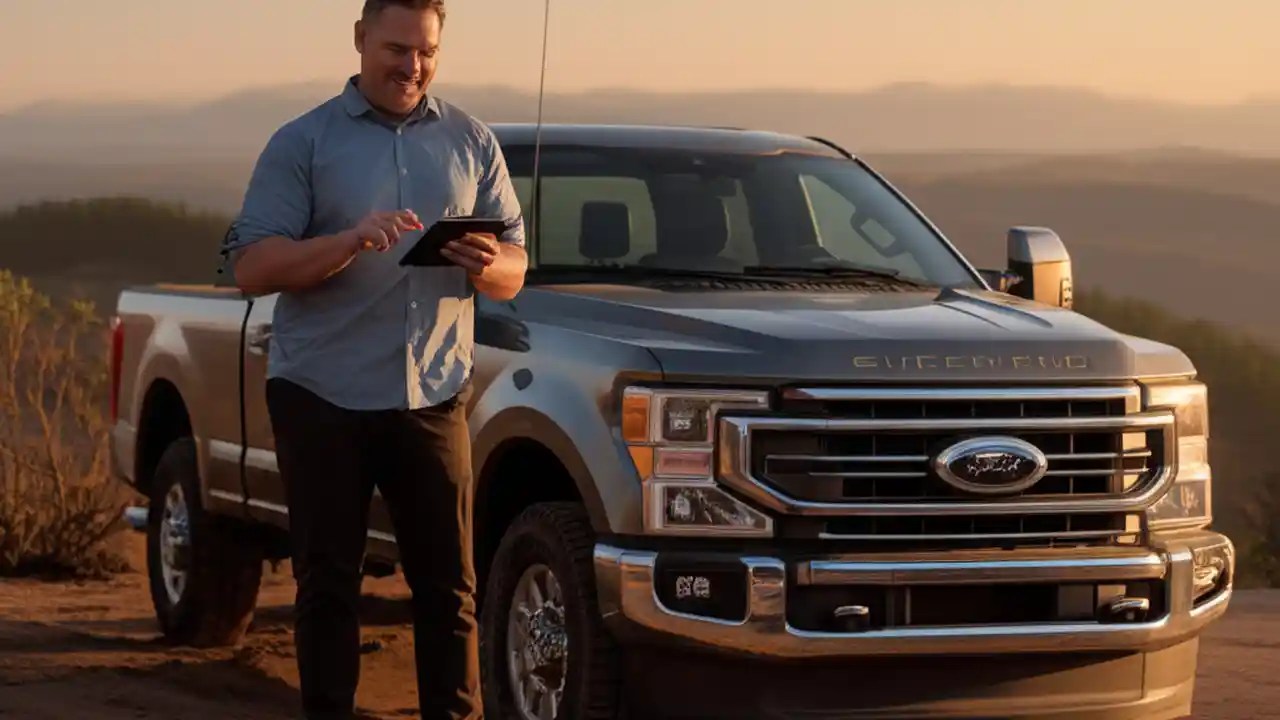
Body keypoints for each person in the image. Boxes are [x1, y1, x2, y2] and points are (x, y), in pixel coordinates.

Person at [223, 0, 527, 717]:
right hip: (321, 393)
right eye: (397, 49)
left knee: (449, 590)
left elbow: (516, 266)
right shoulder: (303, 142)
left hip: (432, 393)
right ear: (360, 40)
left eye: (426, 52)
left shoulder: (471, 140)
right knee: (328, 584)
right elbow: (253, 267)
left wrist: (488, 264)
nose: (412, 66)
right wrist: (350, 240)